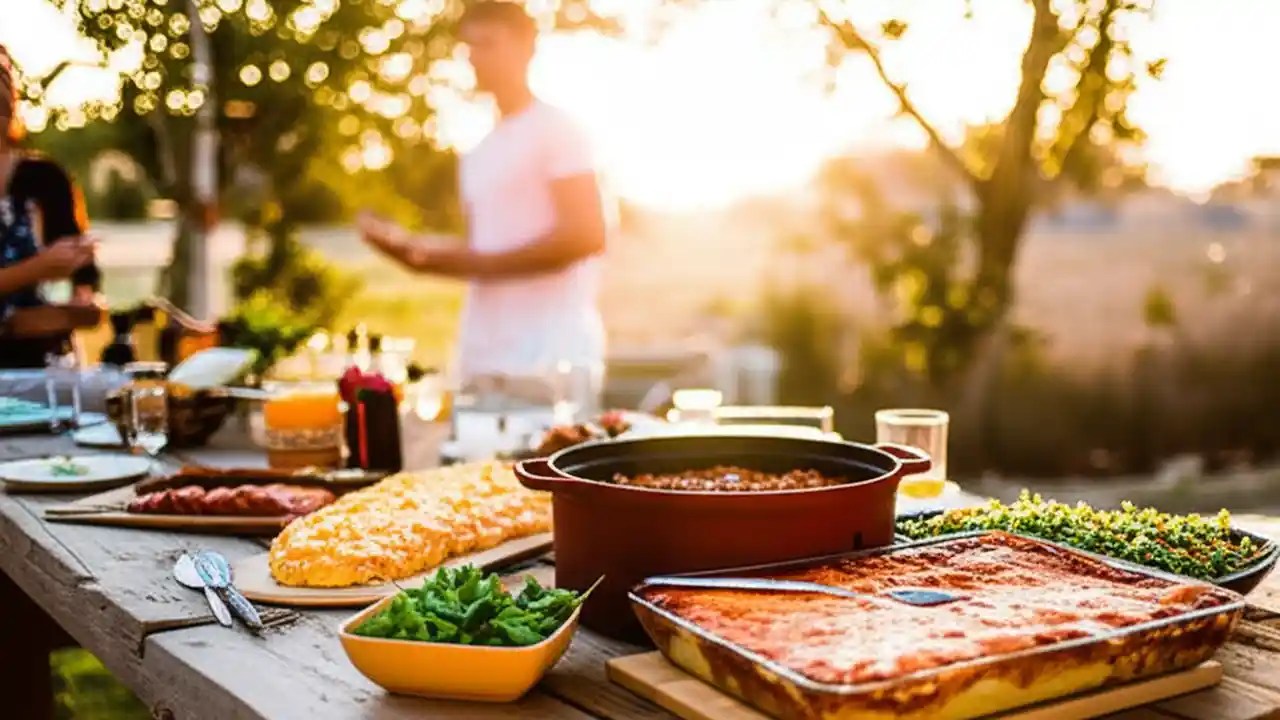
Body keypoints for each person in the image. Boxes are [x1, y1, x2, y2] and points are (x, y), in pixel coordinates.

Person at [358, 1, 609, 390]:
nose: (475, 58)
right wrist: (415, 253)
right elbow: (483, 249)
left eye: (488, 43)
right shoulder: (479, 151)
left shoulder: (560, 129)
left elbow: (585, 235)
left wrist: (474, 261)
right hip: (484, 357)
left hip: (550, 359)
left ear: (528, 47)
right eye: (469, 47)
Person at [0, 44, 99, 368]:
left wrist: (80, 303)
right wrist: (38, 269)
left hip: (37, 366)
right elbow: (43, 267)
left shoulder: (44, 178)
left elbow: (86, 277)